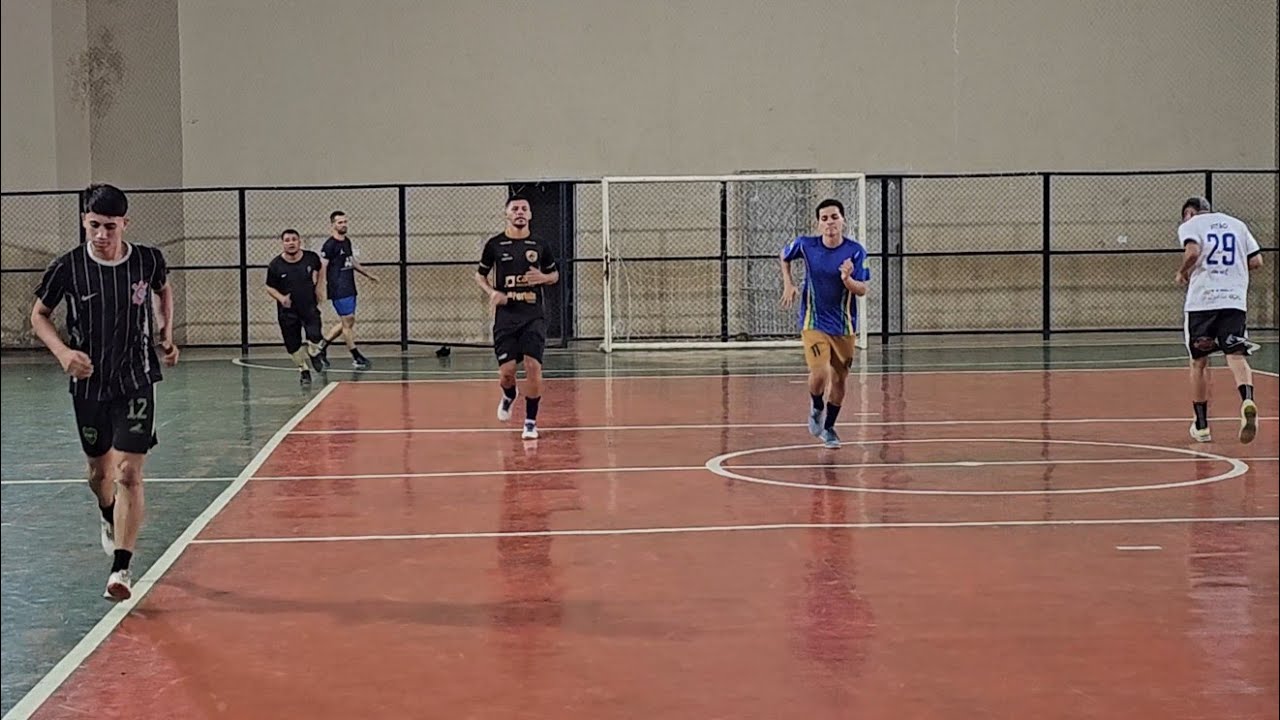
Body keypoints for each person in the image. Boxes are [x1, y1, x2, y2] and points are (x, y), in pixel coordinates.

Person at [29, 183, 180, 601]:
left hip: (136, 378)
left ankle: (121, 569)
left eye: (110, 227)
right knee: (100, 475)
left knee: (130, 472)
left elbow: (163, 290)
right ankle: (107, 513)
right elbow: (39, 315)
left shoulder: (148, 260)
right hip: (89, 382)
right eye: (94, 225)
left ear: (124, 224)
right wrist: (62, 353)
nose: (101, 234)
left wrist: (166, 331)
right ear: (84, 222)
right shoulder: (68, 268)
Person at [780, 198, 870, 449]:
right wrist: (788, 283)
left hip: (843, 326)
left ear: (843, 220)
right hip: (813, 321)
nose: (829, 222)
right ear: (818, 224)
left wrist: (847, 278)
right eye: (824, 218)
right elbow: (784, 255)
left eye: (834, 217)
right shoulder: (805, 245)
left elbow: (862, 290)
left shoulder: (855, 251)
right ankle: (816, 405)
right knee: (819, 371)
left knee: (840, 380)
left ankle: (829, 427)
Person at [1176, 196, 1263, 444]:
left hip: (1203, 302)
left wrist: (1182, 272)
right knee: (1236, 355)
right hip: (1234, 300)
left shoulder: (1191, 225)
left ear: (1190, 213)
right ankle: (1247, 399)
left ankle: (1202, 425)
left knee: (1198, 363)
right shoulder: (1237, 225)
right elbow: (1257, 261)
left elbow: (1192, 252)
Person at [474, 195, 559, 440]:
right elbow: (479, 275)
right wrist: (493, 293)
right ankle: (509, 395)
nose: (520, 212)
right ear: (507, 214)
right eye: (515, 209)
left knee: (533, 366)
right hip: (506, 316)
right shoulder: (495, 245)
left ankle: (530, 422)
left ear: (530, 215)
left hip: (533, 315)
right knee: (507, 372)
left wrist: (542, 278)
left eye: (524, 209)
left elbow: (554, 275)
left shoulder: (540, 244)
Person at [316, 210, 376, 369]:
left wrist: (366, 273)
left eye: (345, 222)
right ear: (333, 225)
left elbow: (351, 260)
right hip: (338, 288)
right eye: (340, 222)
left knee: (348, 322)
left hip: (350, 286)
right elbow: (322, 267)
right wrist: (319, 288)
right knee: (347, 324)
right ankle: (356, 356)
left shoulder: (346, 241)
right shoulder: (329, 245)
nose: (343, 225)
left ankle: (321, 347)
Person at [266, 228, 325, 386]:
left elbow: (321, 268)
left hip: (308, 306)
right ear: (282, 243)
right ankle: (303, 370)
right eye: (287, 240)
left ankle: (314, 353)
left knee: (315, 334)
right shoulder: (275, 265)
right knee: (293, 346)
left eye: (294, 239)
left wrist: (319, 287)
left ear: (299, 241)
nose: (291, 243)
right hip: (288, 312)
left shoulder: (311, 258)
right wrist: (281, 298)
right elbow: (269, 287)